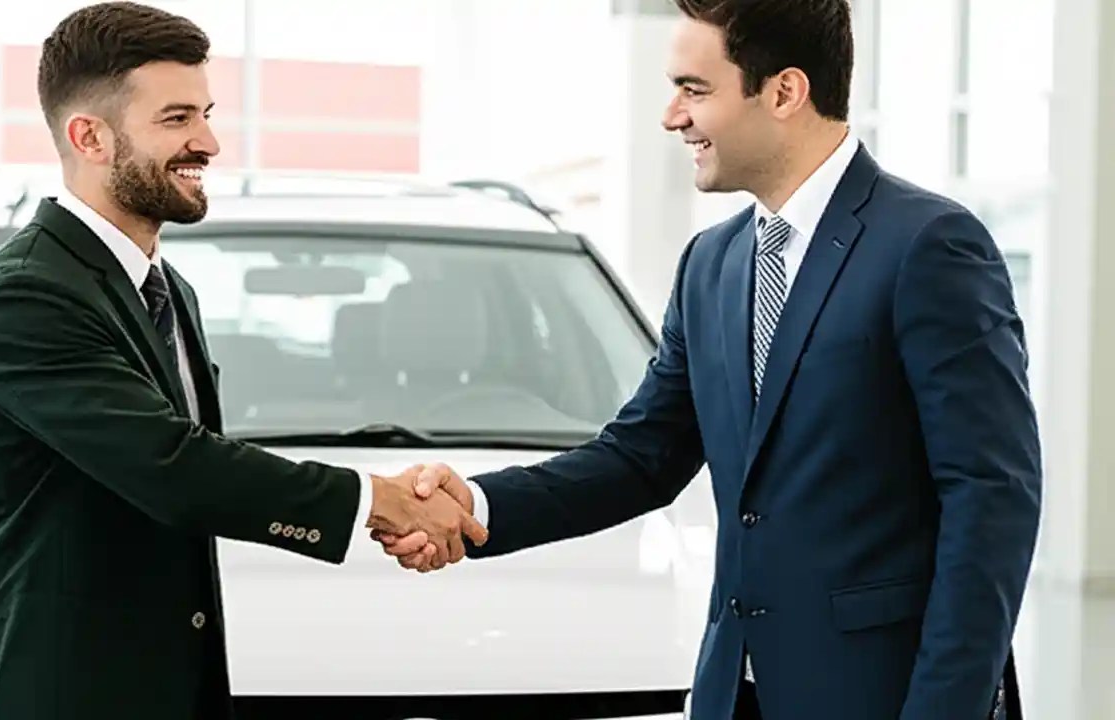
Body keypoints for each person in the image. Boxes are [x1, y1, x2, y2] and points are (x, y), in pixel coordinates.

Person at [374, 1, 1041, 718]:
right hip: (733, 693)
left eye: (694, 89)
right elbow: (640, 457)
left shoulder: (929, 245)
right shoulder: (711, 264)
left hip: (878, 694)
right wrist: (474, 505)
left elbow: (991, 498)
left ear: (784, 91)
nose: (671, 116)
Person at [0, 3, 485, 719]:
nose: (209, 142)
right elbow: (172, 467)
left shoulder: (169, 291)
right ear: (90, 137)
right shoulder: (26, 295)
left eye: (205, 113)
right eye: (176, 119)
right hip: (68, 694)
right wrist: (372, 500)